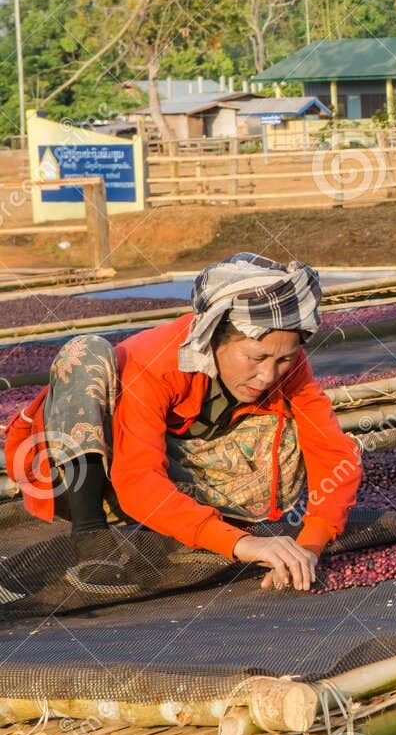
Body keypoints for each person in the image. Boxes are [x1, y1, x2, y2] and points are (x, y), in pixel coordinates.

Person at [5, 252, 360, 593]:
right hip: (72, 475)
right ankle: (90, 537)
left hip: (171, 469)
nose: (268, 374)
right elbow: (137, 481)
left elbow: (333, 454)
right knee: (84, 354)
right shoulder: (154, 361)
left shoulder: (287, 364)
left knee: (289, 430)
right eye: (256, 357)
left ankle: (191, 526)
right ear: (214, 338)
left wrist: (310, 546)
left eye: (284, 358)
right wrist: (242, 545)